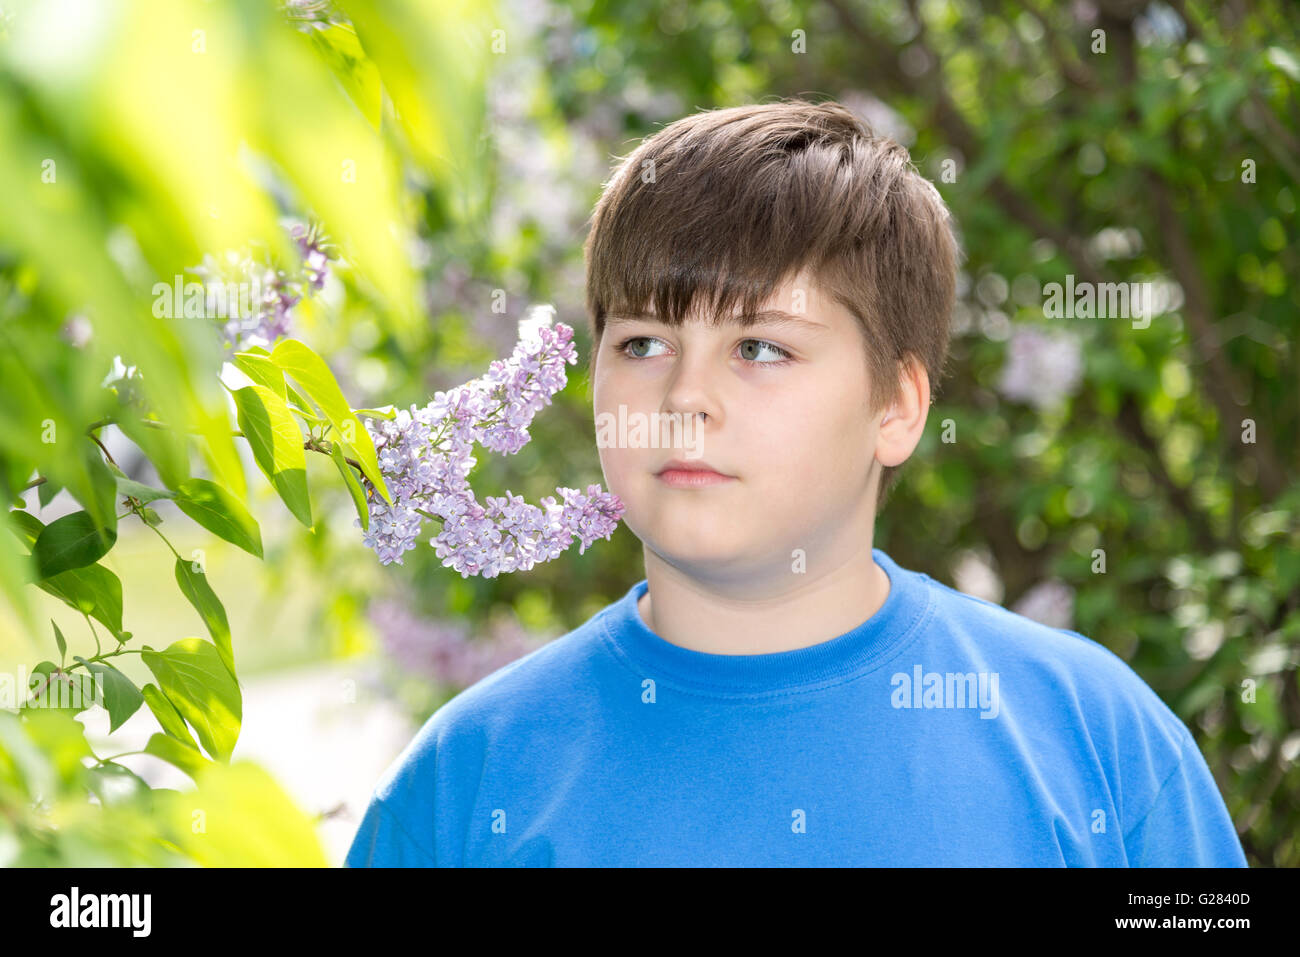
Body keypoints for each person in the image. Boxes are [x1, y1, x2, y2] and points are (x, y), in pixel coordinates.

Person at [345, 98, 1247, 867]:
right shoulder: (463, 784)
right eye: (643, 344)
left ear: (896, 406)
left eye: (761, 348)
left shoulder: (1099, 744)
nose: (685, 396)